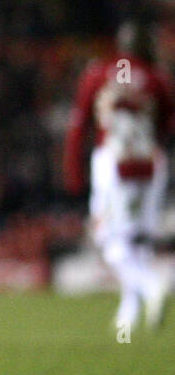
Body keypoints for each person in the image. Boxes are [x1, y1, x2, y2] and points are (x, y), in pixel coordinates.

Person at [65, 21, 174, 332]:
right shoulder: (158, 78)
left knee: (109, 240)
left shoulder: (98, 73)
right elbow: (167, 126)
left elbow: (78, 126)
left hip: (113, 163)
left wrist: (73, 175)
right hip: (152, 164)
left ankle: (152, 286)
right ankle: (130, 312)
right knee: (138, 239)